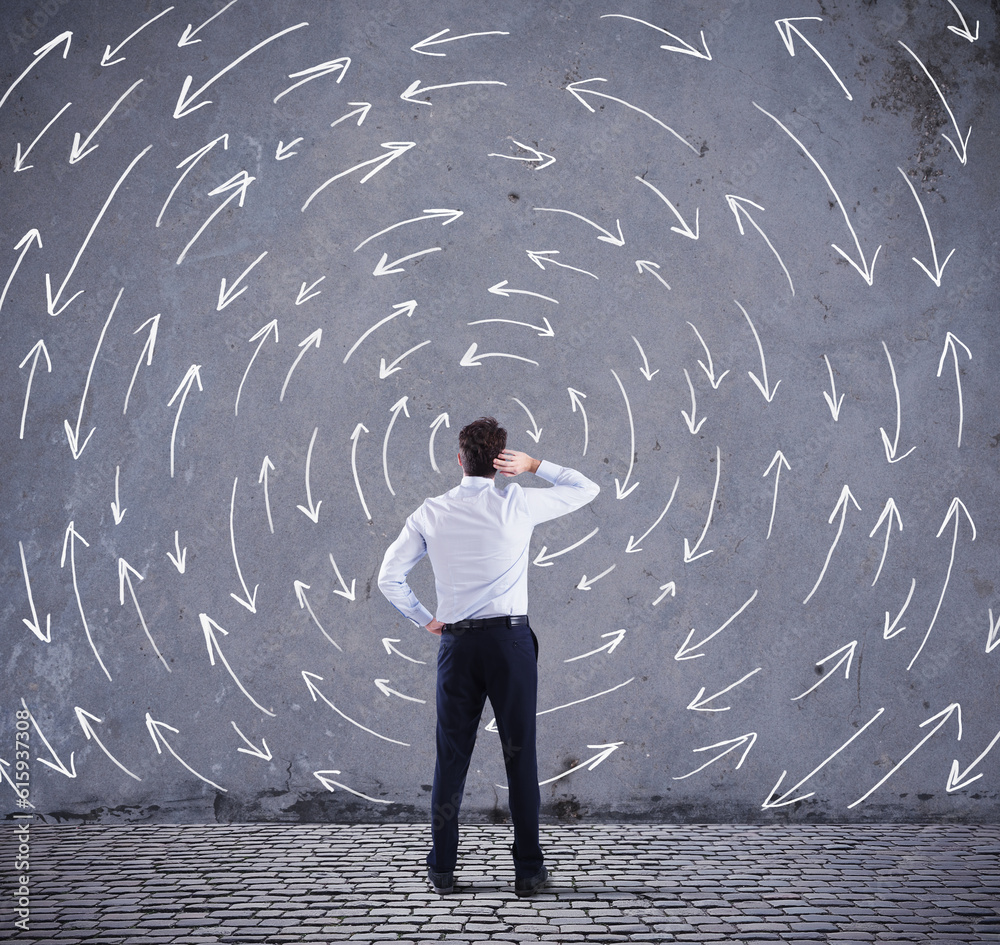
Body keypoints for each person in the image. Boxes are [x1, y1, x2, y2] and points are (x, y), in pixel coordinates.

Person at [378, 416, 600, 897]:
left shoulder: (430, 512)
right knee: (520, 761)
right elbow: (587, 487)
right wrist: (537, 463)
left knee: (450, 760)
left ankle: (441, 870)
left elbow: (388, 578)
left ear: (459, 459)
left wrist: (425, 618)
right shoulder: (518, 501)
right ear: (502, 463)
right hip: (510, 647)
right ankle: (528, 873)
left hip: (457, 647)